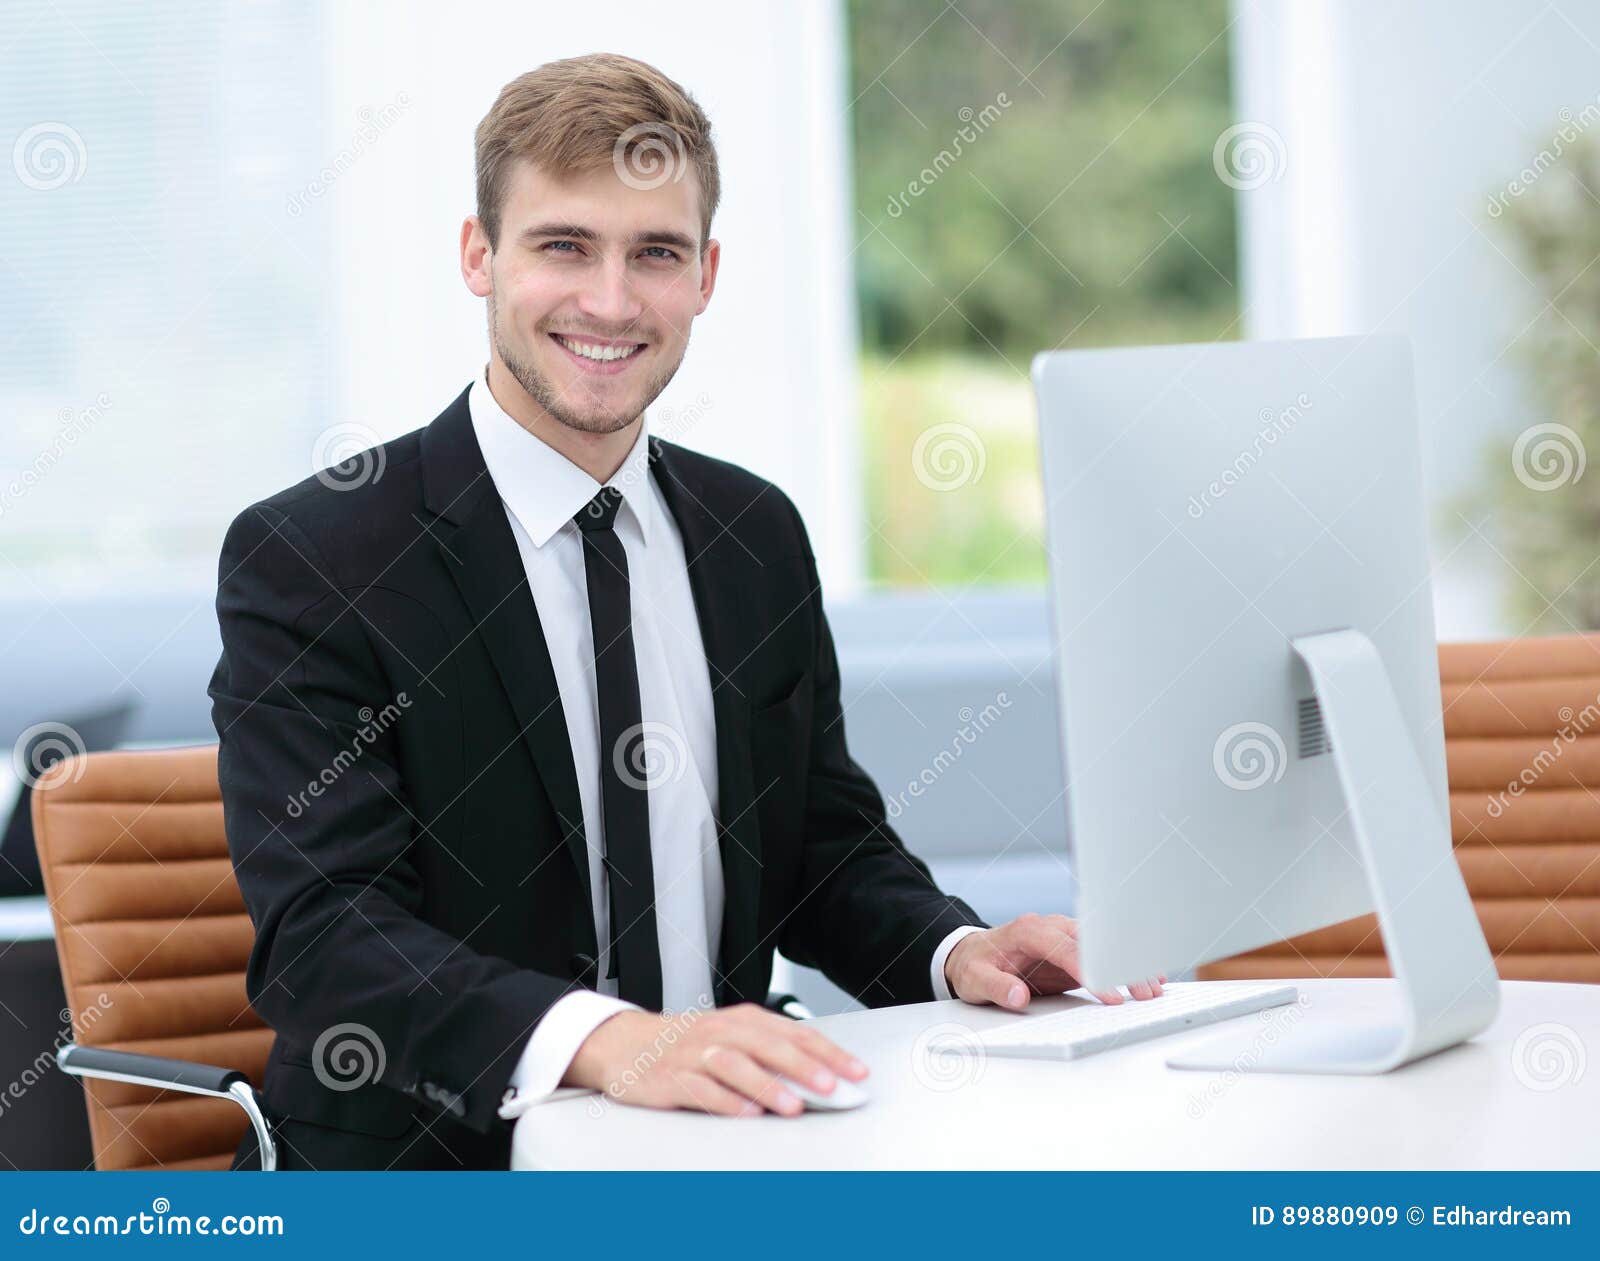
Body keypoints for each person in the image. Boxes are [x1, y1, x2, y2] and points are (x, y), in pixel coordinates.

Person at [211, 52, 1163, 1172]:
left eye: (654, 253)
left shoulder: (751, 533)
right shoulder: (319, 555)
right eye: (563, 244)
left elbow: (819, 847)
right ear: (479, 256)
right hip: (439, 1171)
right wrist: (616, 1043)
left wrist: (957, 948)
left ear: (705, 275)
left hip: (720, 1155)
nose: (610, 301)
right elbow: (328, 940)